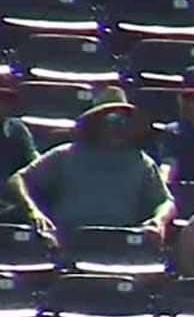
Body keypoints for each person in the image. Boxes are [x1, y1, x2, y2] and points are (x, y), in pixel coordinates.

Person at [9, 86, 173, 240]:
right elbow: (18, 180)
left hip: (119, 241)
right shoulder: (66, 154)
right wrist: (34, 212)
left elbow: (165, 202)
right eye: (110, 118)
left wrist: (159, 221)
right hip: (68, 237)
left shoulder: (141, 162)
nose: (116, 125)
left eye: (122, 119)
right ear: (96, 122)